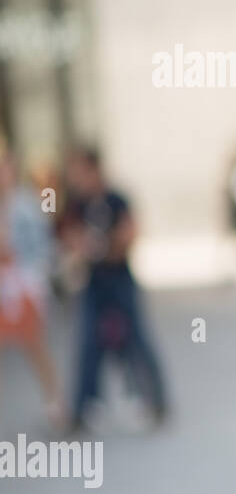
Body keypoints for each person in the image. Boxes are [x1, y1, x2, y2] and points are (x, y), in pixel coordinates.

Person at [61, 147, 169, 431]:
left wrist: (103, 247)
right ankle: (83, 410)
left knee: (136, 340)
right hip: (94, 282)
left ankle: (156, 401)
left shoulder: (116, 199)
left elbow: (129, 235)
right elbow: (70, 239)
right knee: (89, 344)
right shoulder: (77, 204)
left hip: (119, 278)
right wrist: (89, 247)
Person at [0, 148, 65, 430]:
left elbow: (43, 247)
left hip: (24, 281)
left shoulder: (26, 206)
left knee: (34, 344)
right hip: (5, 283)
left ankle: (55, 401)